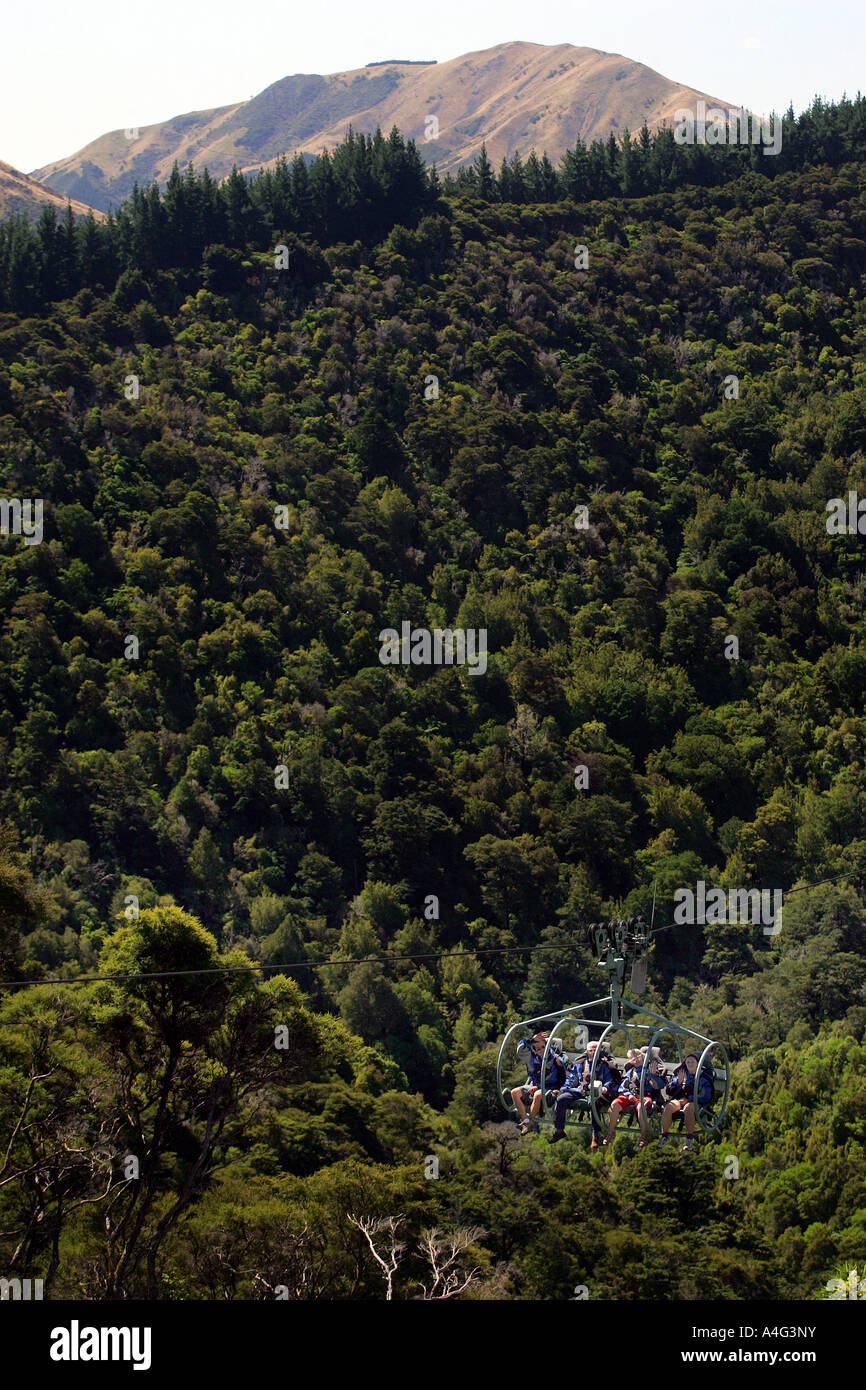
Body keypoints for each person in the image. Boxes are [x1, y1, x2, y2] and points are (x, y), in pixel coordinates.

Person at [548, 1039, 618, 1150]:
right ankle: (559, 1130)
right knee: (561, 1099)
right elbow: (571, 1079)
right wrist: (563, 1089)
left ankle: (595, 1134)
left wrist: (605, 1087)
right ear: (587, 1052)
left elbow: (610, 1080)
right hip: (580, 1090)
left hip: (595, 1092)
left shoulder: (605, 1066)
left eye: (596, 1050)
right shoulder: (580, 1064)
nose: (593, 1052)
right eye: (591, 1050)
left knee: (594, 1102)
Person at [603, 1047, 666, 1148]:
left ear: (643, 1057)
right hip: (631, 1095)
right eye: (633, 1058)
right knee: (615, 1104)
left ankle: (643, 1134)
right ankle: (610, 1132)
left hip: (645, 1096)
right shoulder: (631, 1072)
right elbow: (623, 1086)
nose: (636, 1060)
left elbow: (659, 1085)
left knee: (641, 1106)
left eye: (638, 1057)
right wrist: (629, 1094)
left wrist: (653, 1075)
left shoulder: (650, 1070)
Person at [511, 1031, 566, 1134]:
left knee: (537, 1094)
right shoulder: (533, 1058)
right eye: (537, 1049)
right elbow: (520, 1049)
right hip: (537, 1086)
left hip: (550, 1090)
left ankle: (529, 1120)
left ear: (547, 1047)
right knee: (514, 1092)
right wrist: (531, 1040)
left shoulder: (556, 1060)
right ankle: (526, 1120)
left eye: (542, 1047)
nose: (540, 1051)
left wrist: (558, 1090)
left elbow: (562, 1078)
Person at [658, 1052, 714, 1150]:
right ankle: (664, 1135)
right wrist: (678, 1082)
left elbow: (706, 1096)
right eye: (688, 1062)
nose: (690, 1064)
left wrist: (691, 1098)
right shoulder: (683, 1074)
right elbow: (669, 1091)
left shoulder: (704, 1078)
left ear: (698, 1063)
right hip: (681, 1100)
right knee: (669, 1107)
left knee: (689, 1108)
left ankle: (689, 1140)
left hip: (695, 1102)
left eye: (692, 1062)